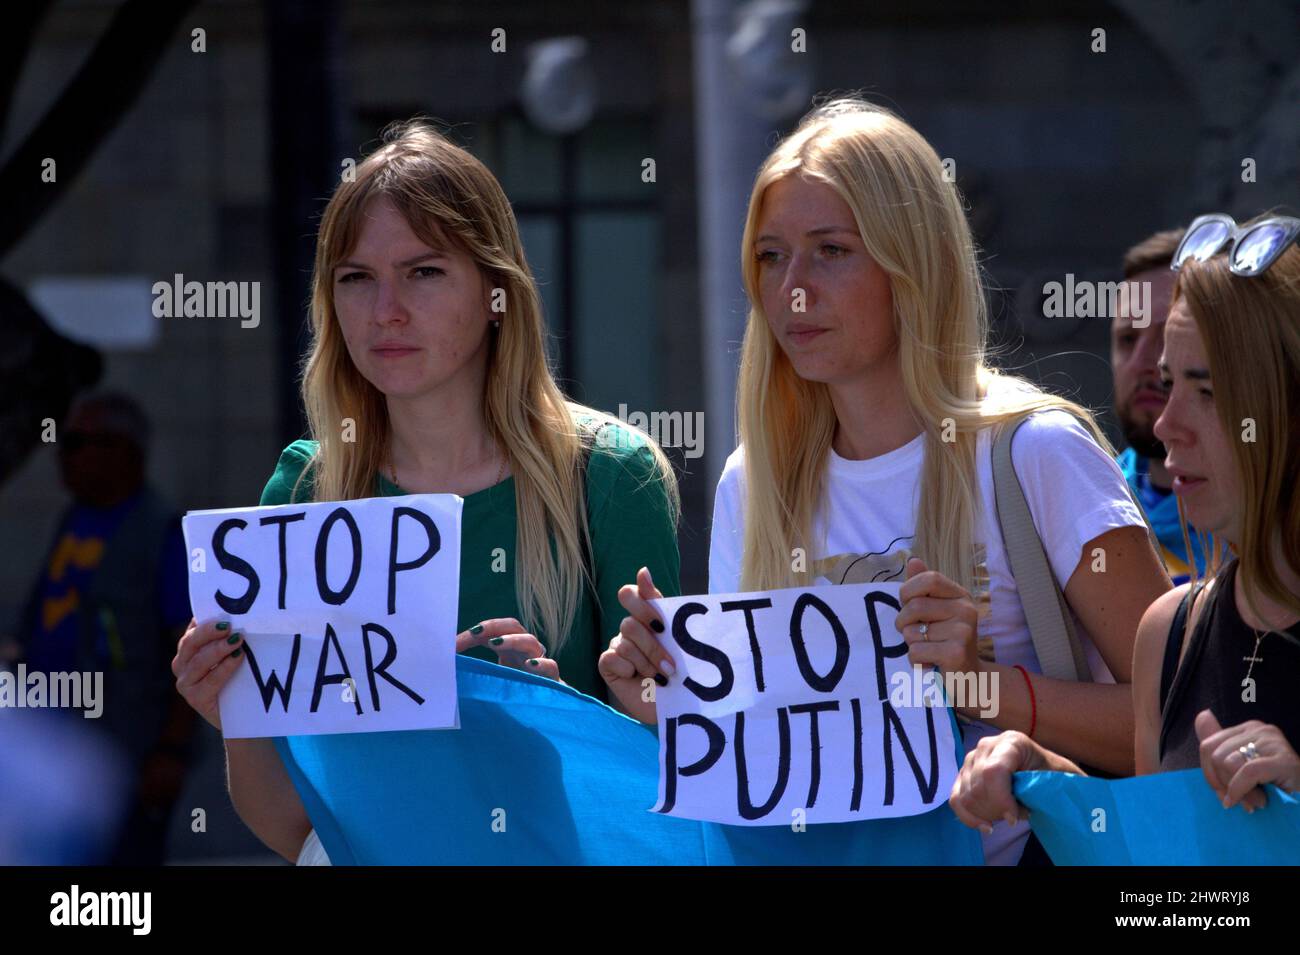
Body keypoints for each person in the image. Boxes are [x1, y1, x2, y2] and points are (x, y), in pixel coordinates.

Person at [602, 97, 1171, 865]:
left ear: (915, 262)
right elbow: (773, 754)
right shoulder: (754, 482)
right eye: (771, 257)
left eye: (830, 250)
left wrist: (981, 687)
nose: (792, 290)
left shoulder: (1037, 452)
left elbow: (1178, 726)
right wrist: (669, 705)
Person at [172, 119, 681, 863]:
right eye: (356, 278)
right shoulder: (304, 488)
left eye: (424, 271)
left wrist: (548, 717)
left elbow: (658, 794)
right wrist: (234, 713)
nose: (386, 312)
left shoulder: (612, 475)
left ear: (496, 292)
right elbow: (296, 833)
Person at [949, 215, 1300, 834]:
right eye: (1169, 386)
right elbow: (1156, 857)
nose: (1166, 427)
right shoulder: (1167, 632)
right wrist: (1042, 775)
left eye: (1208, 391)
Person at [13, 391, 195, 864]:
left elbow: (188, 648)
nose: (62, 455)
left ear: (124, 450)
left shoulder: (161, 534)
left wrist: (171, 751)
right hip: (54, 750)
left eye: (75, 442)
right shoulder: (75, 519)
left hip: (122, 758)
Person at [1113, 228, 1211, 585]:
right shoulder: (1086, 505)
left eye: (1168, 336)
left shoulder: (1276, 525)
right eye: (1127, 339)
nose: (1142, 362)